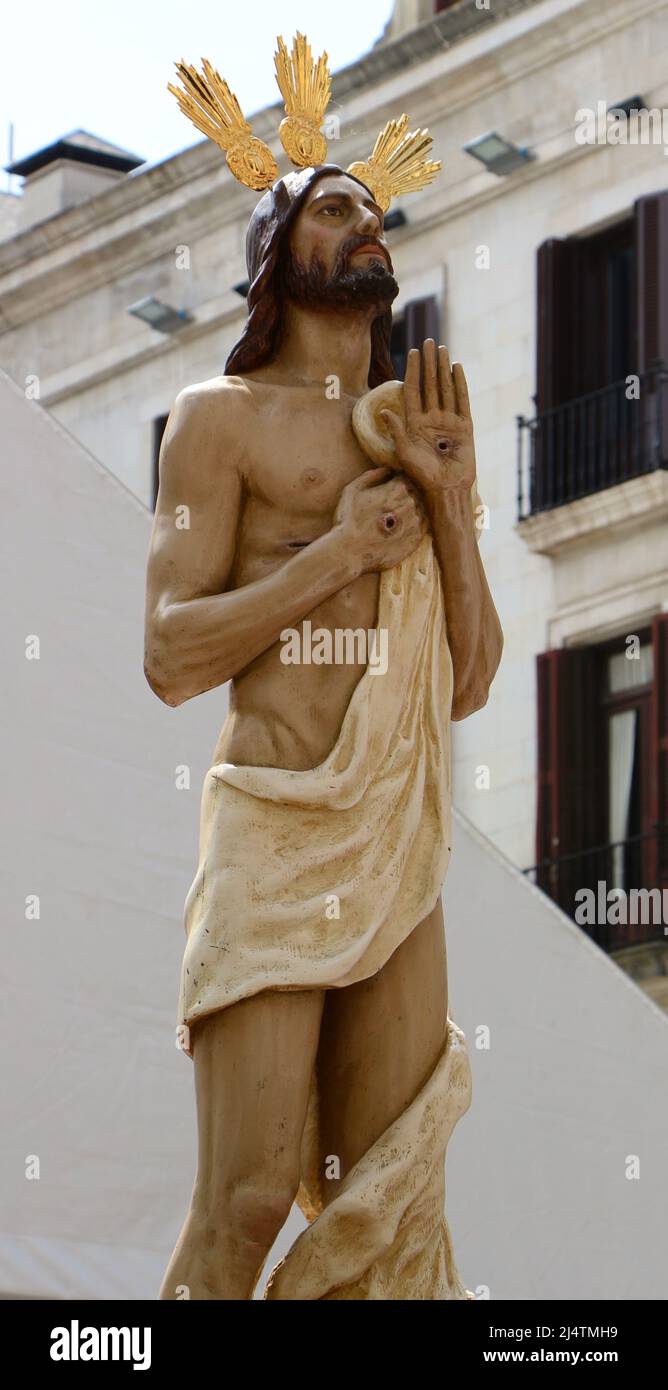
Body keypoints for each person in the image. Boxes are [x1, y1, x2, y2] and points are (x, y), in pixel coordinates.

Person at [144, 42, 503, 1300]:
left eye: (371, 206)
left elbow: (469, 678)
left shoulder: (417, 425)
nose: (366, 221)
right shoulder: (216, 420)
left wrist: (449, 504)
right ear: (275, 253)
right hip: (273, 827)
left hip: (394, 852)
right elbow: (170, 654)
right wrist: (336, 552)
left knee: (390, 1200)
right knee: (242, 1201)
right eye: (333, 205)